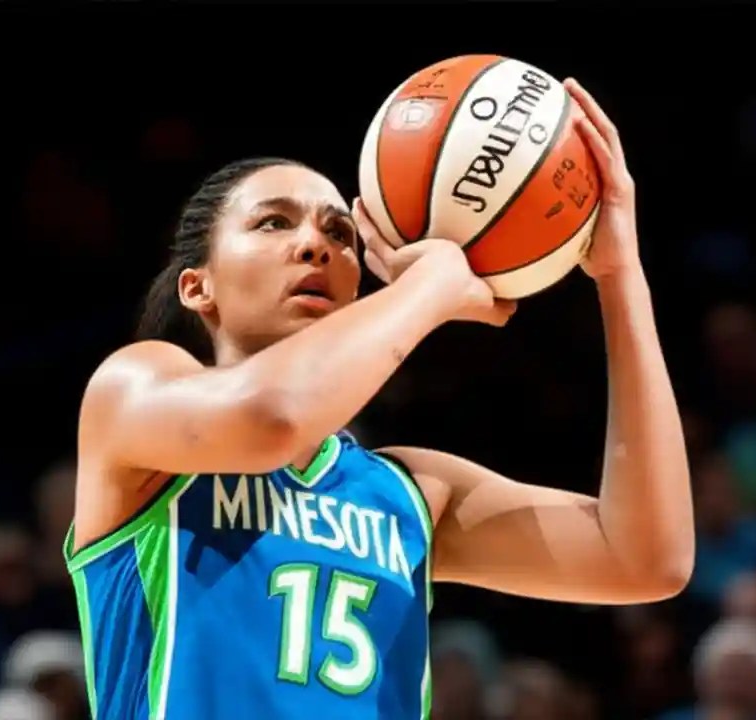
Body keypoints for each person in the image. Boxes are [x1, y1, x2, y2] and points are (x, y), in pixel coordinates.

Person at [65, 79, 693, 719]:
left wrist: (620, 275)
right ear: (199, 287)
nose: (315, 245)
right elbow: (271, 420)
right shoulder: (134, 391)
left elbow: (647, 557)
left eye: (340, 235)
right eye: (273, 222)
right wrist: (435, 286)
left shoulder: (410, 494)